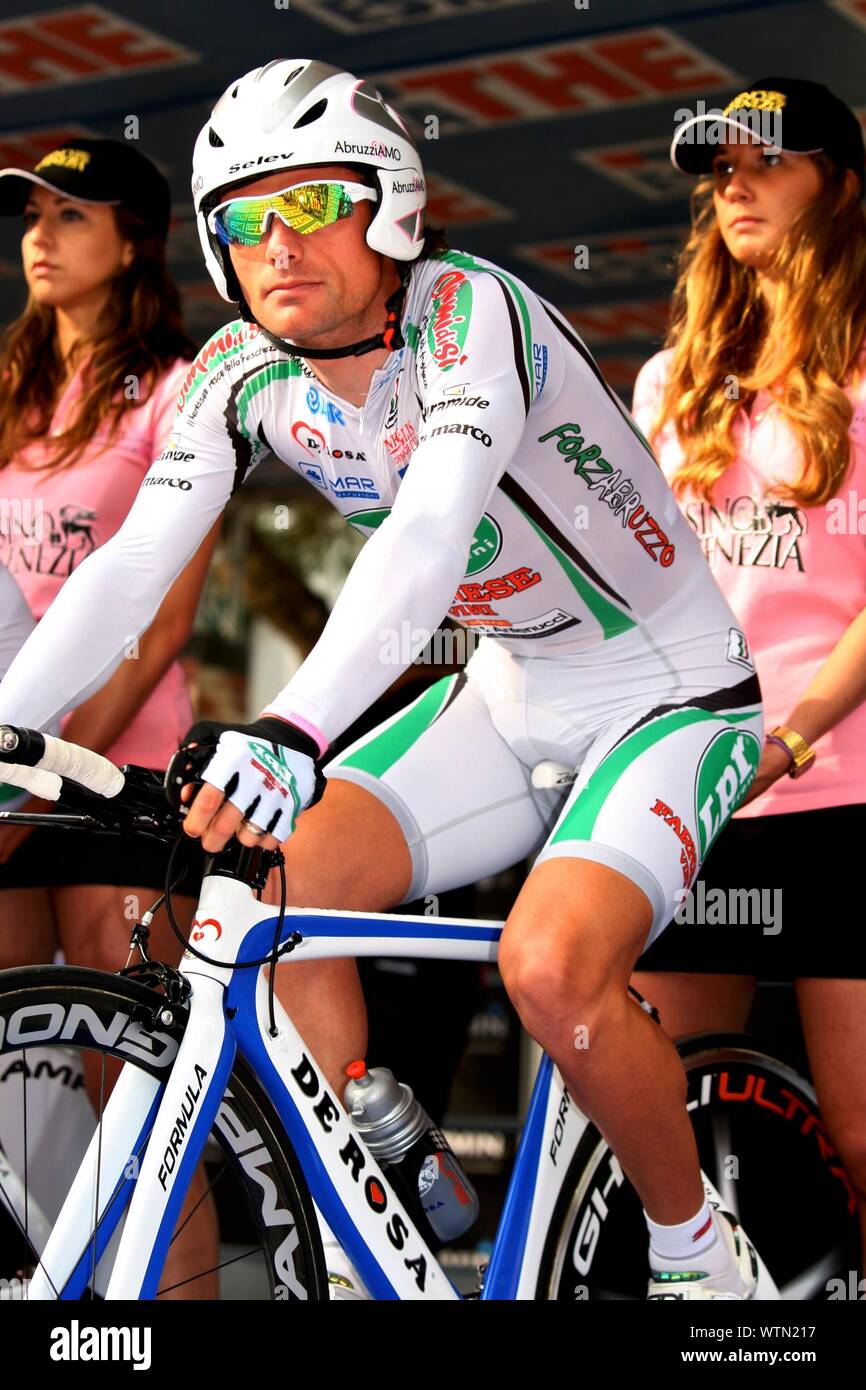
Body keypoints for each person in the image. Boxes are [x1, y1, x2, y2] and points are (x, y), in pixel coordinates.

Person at [0, 61, 765, 1300]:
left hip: (665, 687)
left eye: (311, 205)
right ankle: (369, 1198)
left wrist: (295, 726)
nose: (277, 245)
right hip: (512, 685)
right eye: (245, 220)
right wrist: (10, 728)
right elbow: (133, 561)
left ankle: (697, 1255)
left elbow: (425, 534)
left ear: (391, 206)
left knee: (547, 970)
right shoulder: (237, 372)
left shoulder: (472, 315)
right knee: (257, 885)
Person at [632, 77, 866, 1276]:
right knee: (671, 1125)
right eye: (717, 166)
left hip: (840, 794)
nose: (733, 183)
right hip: (696, 786)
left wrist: (795, 729)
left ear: (835, 179)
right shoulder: (670, 379)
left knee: (864, 1132)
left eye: (763, 161)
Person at [0, 138, 220, 1295]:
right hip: (2, 764)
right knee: (6, 1083)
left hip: (113, 778)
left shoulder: (183, 393)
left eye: (70, 214)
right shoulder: (8, 382)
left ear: (134, 240)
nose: (39, 233)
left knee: (131, 1086)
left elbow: (162, 626)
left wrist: (46, 771)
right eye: (31, 213)